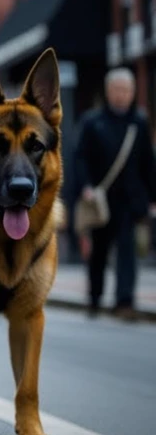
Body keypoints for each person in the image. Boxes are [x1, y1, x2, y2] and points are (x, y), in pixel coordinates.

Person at [74, 68, 156, 321]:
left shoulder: (139, 122)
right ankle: (95, 298)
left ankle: (124, 301)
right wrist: (85, 186)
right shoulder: (92, 121)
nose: (122, 95)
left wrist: (152, 197)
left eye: (127, 91)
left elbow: (148, 163)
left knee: (127, 251)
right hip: (99, 199)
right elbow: (80, 159)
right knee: (98, 252)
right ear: (108, 91)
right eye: (117, 90)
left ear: (132, 93)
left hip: (129, 200)